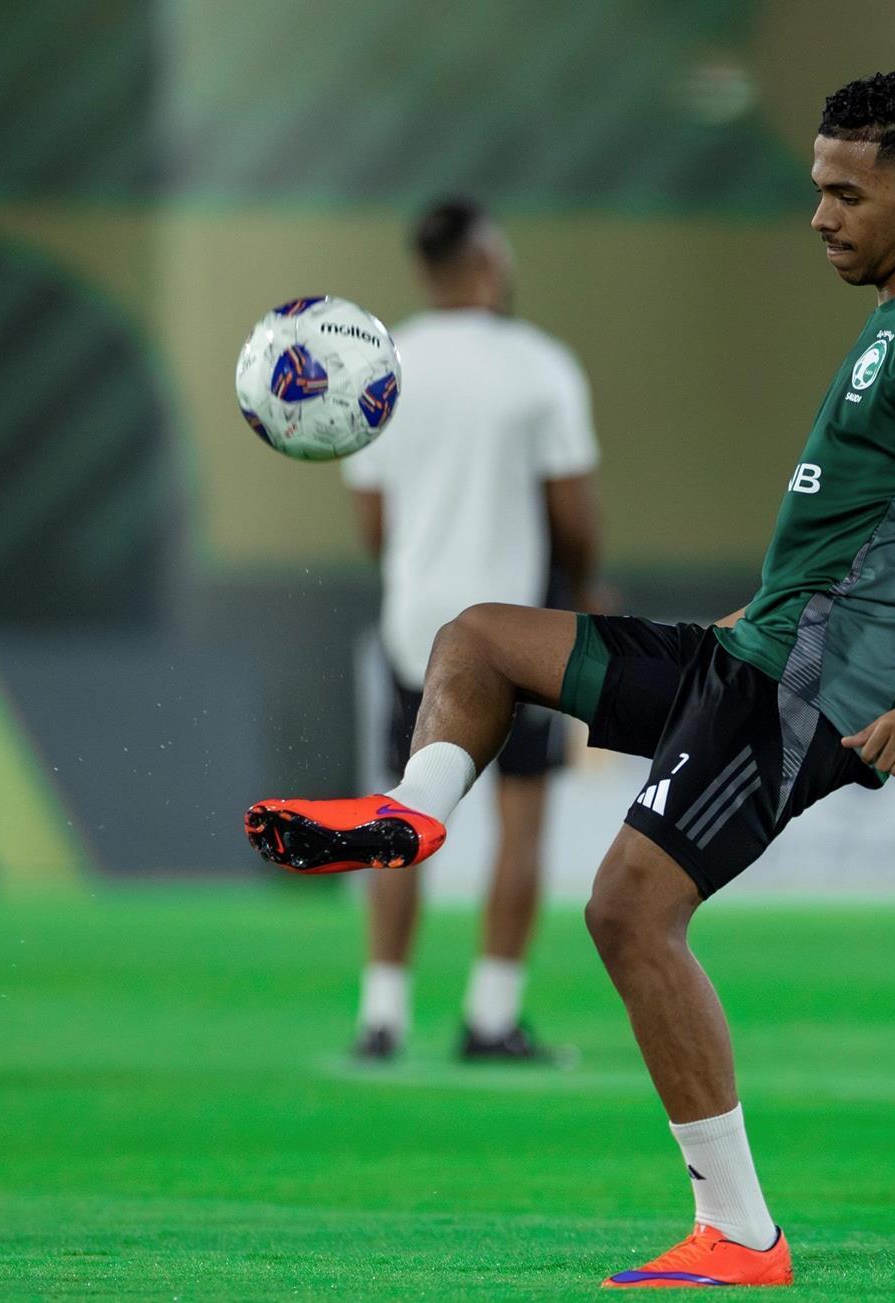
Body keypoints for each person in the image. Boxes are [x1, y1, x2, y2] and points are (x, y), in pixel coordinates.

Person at [247, 71, 895, 1288]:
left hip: (807, 693)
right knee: (474, 639)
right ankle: (413, 817)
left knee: (630, 910)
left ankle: (740, 1235)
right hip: (750, 651)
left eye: (846, 192)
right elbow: (861, 530)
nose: (819, 215)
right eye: (815, 189)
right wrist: (740, 619)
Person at [340, 198, 602, 1062]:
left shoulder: (384, 367)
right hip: (514, 628)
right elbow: (574, 515)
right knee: (521, 821)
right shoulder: (539, 367)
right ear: (489, 257)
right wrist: (590, 589)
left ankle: (381, 1015)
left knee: (400, 807)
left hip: (413, 621)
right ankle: (491, 1014)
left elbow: (371, 523)